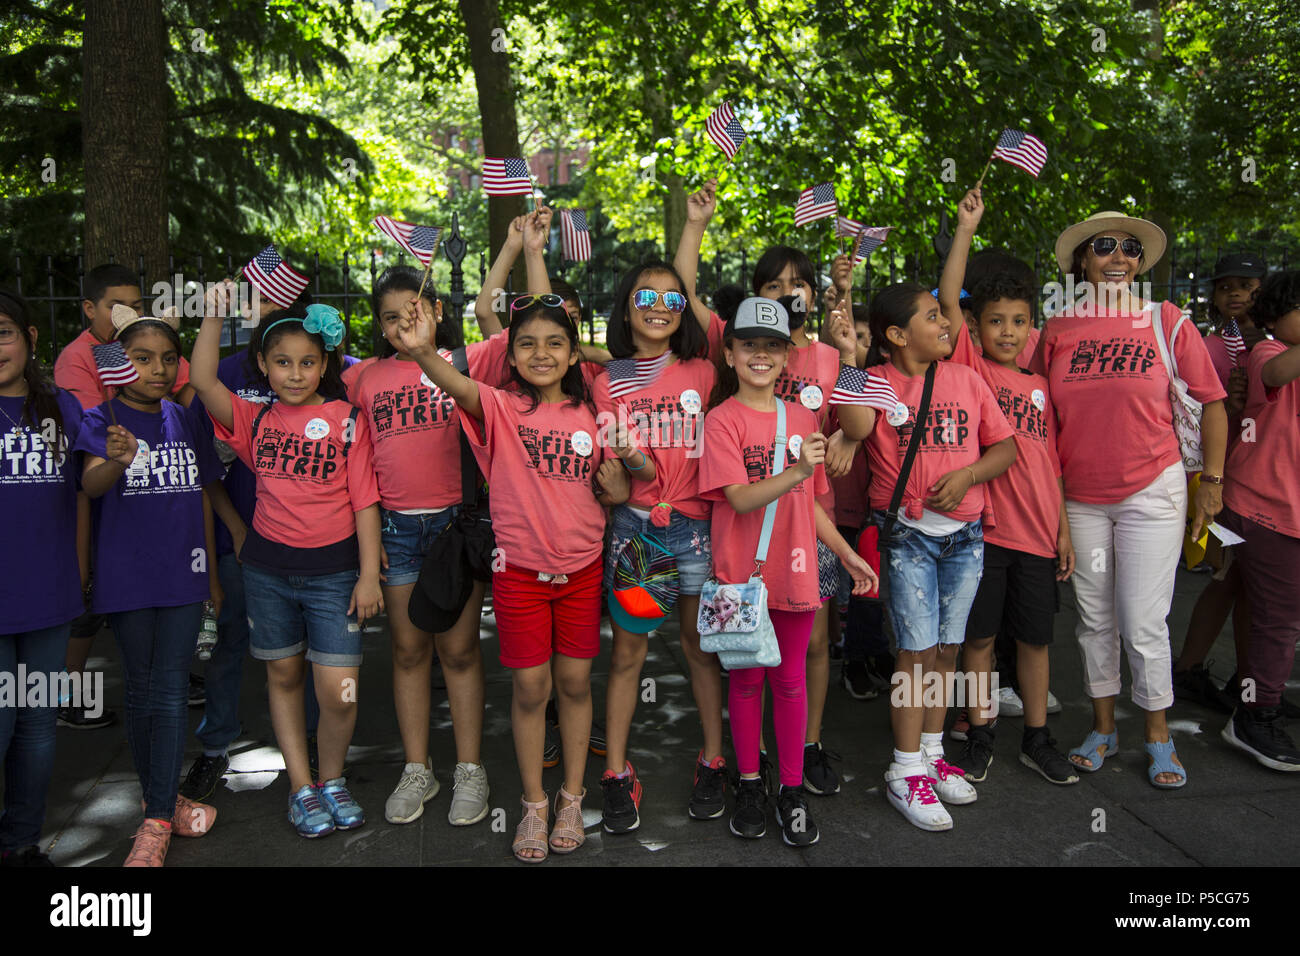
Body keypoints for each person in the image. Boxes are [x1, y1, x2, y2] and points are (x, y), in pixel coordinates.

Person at [394, 292, 629, 863]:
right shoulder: (498, 407)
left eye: (555, 343)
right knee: (530, 688)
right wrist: (425, 350)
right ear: (512, 355)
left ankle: (572, 797)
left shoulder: (596, 414)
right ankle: (533, 804)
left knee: (574, 685)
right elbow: (456, 384)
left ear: (574, 354)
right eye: (527, 343)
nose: (541, 353)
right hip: (518, 574)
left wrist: (621, 486)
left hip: (581, 572)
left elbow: (619, 489)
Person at [674, 180, 869, 796]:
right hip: (749, 538)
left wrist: (849, 437)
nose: (788, 294)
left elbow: (857, 421)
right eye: (774, 285)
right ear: (733, 348)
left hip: (809, 524)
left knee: (808, 647)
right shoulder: (734, 386)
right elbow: (685, 287)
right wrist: (696, 222)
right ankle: (751, 767)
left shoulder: (826, 355)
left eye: (798, 283)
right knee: (748, 659)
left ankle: (804, 750)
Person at [1031, 211, 1228, 788]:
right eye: (1105, 247)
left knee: (1143, 620)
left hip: (1153, 490)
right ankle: (1103, 728)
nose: (1119, 257)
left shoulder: (1166, 321)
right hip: (1082, 499)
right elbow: (1031, 408)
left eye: (1130, 250)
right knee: (1094, 620)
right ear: (1081, 262)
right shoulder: (1056, 330)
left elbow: (1211, 403)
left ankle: (1158, 736)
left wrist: (1211, 483)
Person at [190, 285, 384, 838]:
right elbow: (203, 381)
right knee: (283, 674)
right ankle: (301, 787)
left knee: (339, 687)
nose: (295, 374)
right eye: (281, 363)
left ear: (324, 364)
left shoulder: (348, 419)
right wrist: (211, 315)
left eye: (306, 362)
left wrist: (369, 574)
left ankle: (333, 779)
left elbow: (366, 501)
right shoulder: (254, 419)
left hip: (337, 574)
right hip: (268, 572)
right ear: (262, 366)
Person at [699, 296, 876, 847]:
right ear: (729, 353)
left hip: (797, 574)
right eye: (749, 344)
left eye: (772, 346)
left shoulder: (802, 418)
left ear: (785, 357)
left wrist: (846, 556)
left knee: (791, 682)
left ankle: (791, 789)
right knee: (746, 682)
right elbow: (740, 498)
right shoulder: (721, 421)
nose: (761, 355)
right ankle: (750, 782)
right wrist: (799, 467)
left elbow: (813, 503)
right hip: (739, 581)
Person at [350, 266, 504, 826]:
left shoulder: (468, 363)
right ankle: (418, 768)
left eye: (411, 313)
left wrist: (513, 247)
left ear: (436, 311)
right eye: (389, 317)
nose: (400, 326)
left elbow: (519, 329)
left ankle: (470, 768)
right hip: (396, 532)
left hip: (454, 528)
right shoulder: (365, 379)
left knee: (459, 651)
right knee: (409, 651)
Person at [863, 282, 1017, 831]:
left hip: (965, 537)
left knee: (947, 651)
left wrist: (970, 473)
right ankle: (903, 771)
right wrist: (850, 359)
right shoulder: (875, 384)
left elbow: (1005, 447)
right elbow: (854, 430)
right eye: (933, 316)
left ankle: (929, 753)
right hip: (907, 537)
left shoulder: (968, 380)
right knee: (915, 654)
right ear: (897, 335)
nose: (947, 323)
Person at [75, 306, 224, 865]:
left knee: (166, 689)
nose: (157, 369)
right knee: (141, 691)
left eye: (167, 359)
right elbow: (90, 487)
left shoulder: (184, 417)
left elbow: (203, 495)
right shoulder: (100, 417)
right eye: (141, 359)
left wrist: (211, 573)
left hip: (183, 574)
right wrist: (115, 461)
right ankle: (161, 804)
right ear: (120, 363)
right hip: (127, 576)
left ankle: (157, 817)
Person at [940, 188, 1078, 785]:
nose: (1009, 331)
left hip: (1039, 538)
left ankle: (1038, 736)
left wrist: (1064, 530)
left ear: (1032, 326)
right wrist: (966, 229)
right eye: (996, 321)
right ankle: (980, 728)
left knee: (1036, 643)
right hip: (984, 531)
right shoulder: (970, 367)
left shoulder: (1042, 385)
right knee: (979, 639)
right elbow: (949, 297)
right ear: (976, 326)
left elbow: (1051, 466)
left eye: (1020, 322)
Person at [593, 259, 721, 832]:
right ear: (626, 307)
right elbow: (625, 469)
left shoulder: (704, 371)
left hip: (697, 532)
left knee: (699, 648)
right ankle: (616, 773)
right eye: (647, 296)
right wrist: (632, 462)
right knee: (629, 654)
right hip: (639, 533)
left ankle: (713, 760)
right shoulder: (610, 379)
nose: (660, 307)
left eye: (674, 299)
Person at [0, 290, 86, 866]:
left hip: (49, 594)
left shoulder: (61, 408)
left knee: (36, 728)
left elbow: (86, 492)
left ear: (30, 338)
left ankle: (21, 842)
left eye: (2, 331)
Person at [1172, 253, 1270, 712]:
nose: (1236, 294)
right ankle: (1190, 670)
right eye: (1226, 286)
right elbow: (1193, 418)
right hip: (1224, 478)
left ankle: (1249, 684)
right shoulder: (1207, 348)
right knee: (1227, 573)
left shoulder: (1275, 348)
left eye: (1247, 286)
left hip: (1267, 478)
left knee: (1251, 581)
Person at [1218, 270, 1300, 770]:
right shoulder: (1266, 354)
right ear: (1273, 318)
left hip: (1285, 508)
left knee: (1269, 612)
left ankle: (1250, 687)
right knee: (1279, 618)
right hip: (1263, 508)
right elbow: (1276, 375)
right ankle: (1255, 715)